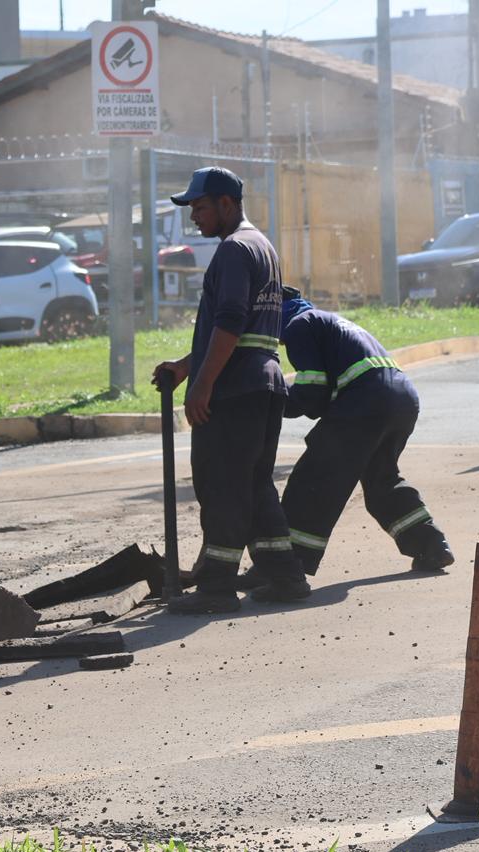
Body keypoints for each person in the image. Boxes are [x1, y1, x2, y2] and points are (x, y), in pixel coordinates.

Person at [152, 167, 310, 614]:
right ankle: (286, 577)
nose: (195, 218)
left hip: (235, 388)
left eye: (199, 207)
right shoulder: (261, 246)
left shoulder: (234, 250)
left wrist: (202, 384)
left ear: (226, 203)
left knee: (221, 484)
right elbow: (241, 331)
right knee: (253, 484)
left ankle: (217, 588)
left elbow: (231, 321)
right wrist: (186, 367)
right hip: (262, 383)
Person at [277, 286, 455, 579]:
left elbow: (312, 392)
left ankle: (288, 566)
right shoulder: (326, 320)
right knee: (380, 480)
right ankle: (432, 544)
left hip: (366, 402)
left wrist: (272, 400)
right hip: (401, 400)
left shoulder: (298, 326)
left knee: (314, 478)